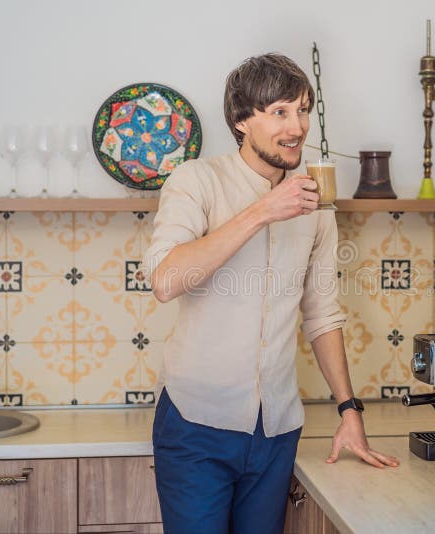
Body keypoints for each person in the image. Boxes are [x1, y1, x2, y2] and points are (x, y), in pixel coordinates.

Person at [143, 52, 399, 534]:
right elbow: (165, 280)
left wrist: (349, 410)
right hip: (195, 424)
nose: (297, 127)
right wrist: (263, 210)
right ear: (242, 120)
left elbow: (322, 314)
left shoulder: (316, 204)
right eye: (280, 112)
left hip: (277, 429)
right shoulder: (197, 180)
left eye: (302, 110)